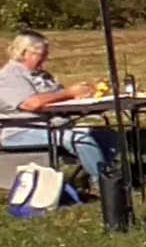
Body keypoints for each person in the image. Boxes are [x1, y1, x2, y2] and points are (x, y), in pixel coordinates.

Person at [0, 31, 120, 190]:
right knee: (80, 139)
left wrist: (81, 95)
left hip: (54, 124)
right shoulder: (10, 77)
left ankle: (109, 174)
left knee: (108, 136)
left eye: (46, 54)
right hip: (22, 130)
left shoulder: (41, 75)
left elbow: (56, 97)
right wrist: (69, 93)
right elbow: (31, 104)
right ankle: (106, 186)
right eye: (41, 54)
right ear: (24, 53)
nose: (45, 58)